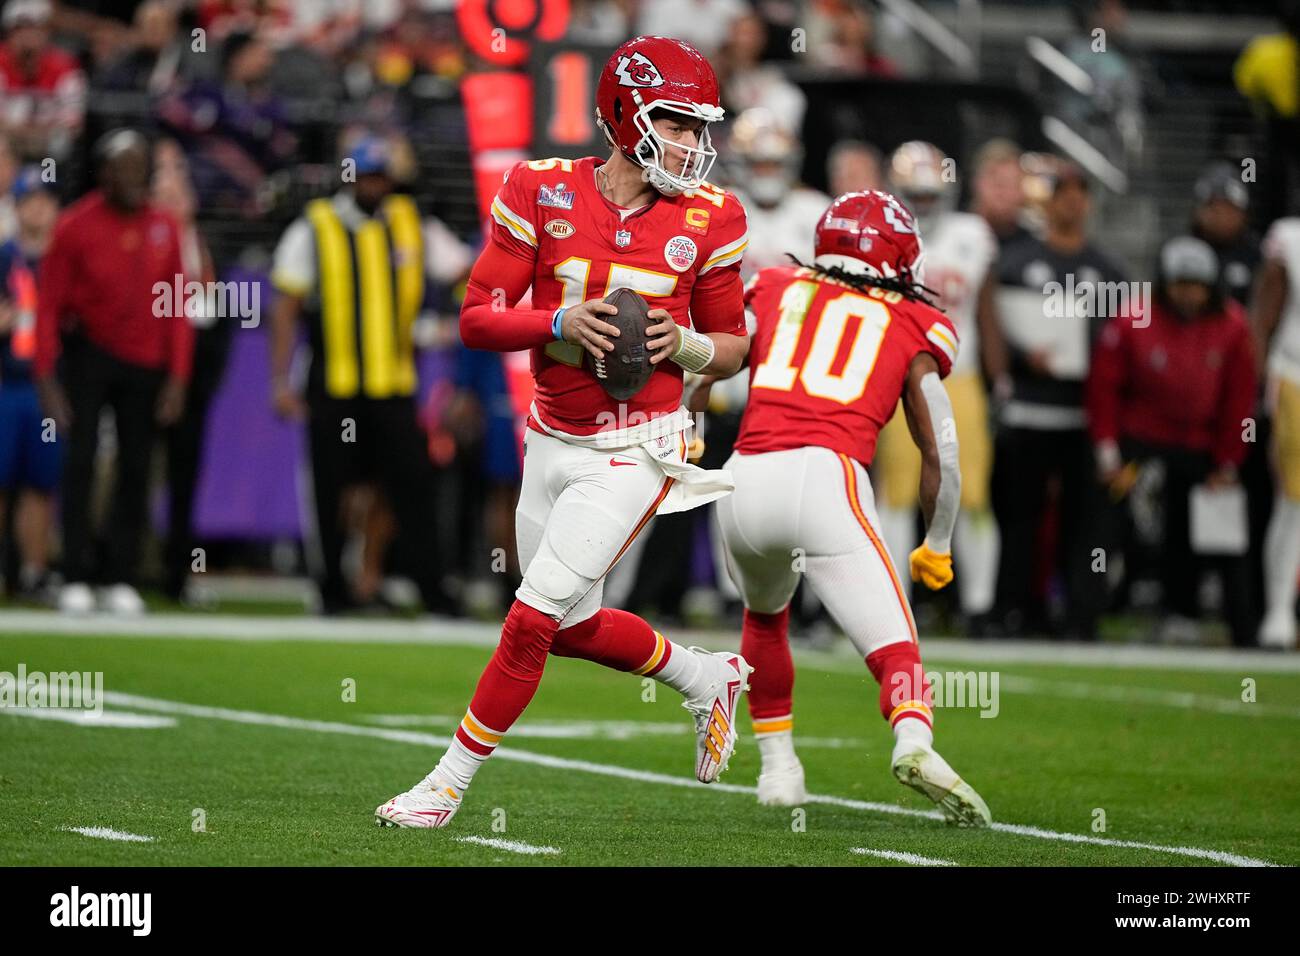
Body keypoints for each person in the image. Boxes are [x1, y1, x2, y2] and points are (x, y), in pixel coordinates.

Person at [376, 35, 753, 829]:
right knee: (571, 626)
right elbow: (476, 319)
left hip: (639, 447)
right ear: (626, 118)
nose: (694, 144)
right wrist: (556, 319)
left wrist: (679, 345)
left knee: (532, 614)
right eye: (678, 124)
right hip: (550, 435)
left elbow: (734, 343)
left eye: (698, 127)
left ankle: (446, 784)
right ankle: (703, 676)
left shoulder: (714, 218)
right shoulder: (540, 186)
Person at [698, 189, 990, 824]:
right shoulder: (914, 320)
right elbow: (941, 448)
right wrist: (937, 544)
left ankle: (779, 769)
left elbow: (711, 362)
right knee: (895, 648)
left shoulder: (774, 285)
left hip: (742, 479)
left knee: (764, 618)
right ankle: (913, 739)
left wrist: (690, 426)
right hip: (827, 478)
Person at [269, 134, 456, 616]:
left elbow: (465, 269)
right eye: (366, 175)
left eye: (381, 176)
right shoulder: (315, 226)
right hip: (335, 384)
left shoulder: (411, 223)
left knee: (413, 484)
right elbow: (286, 308)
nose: (375, 185)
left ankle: (428, 588)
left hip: (393, 386)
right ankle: (332, 589)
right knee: (331, 490)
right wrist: (279, 382)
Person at [34, 128, 193, 614]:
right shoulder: (75, 225)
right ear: (103, 172)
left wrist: (178, 378)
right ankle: (75, 572)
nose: (135, 176)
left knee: (136, 468)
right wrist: (46, 377)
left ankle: (120, 573)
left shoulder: (166, 226)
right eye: (124, 166)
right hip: (89, 357)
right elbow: (48, 306)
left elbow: (177, 308)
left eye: (141, 166)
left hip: (145, 363)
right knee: (80, 463)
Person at [1087, 237, 1257, 646]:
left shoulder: (1232, 327)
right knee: (1102, 525)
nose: (1188, 294)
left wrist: (1228, 462)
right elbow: (1105, 387)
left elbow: (1239, 398)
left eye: (1196, 285)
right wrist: (1108, 449)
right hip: (1140, 441)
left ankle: (1238, 627)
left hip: (1200, 444)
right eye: (1180, 284)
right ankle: (1084, 616)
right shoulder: (1135, 320)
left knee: (1220, 531)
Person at [872, 142, 1005, 632]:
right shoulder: (880, 234)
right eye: (915, 195)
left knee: (971, 495)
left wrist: (1001, 378)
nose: (923, 205)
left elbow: (988, 309)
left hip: (960, 377)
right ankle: (894, 608)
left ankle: (979, 606)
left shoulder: (972, 234)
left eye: (930, 195)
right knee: (897, 495)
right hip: (897, 378)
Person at [991, 159, 1126, 639]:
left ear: (1088, 202)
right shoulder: (1015, 262)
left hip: (1084, 414)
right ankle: (1015, 609)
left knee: (1084, 524)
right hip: (1029, 407)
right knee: (1020, 516)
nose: (1071, 201)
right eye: (1061, 192)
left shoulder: (1107, 270)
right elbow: (992, 329)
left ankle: (1080, 616)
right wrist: (1022, 357)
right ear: (1045, 201)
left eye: (1079, 193)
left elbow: (1123, 340)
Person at [0, 166, 59, 599]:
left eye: (46, 200)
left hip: (48, 390)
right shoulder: (4, 257)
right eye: (31, 200)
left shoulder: (65, 258)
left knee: (42, 483)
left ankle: (35, 572)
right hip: (7, 381)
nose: (39, 209)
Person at [1254, 216, 1300, 648]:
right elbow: (1264, 317)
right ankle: (1280, 610)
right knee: (1294, 501)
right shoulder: (1290, 238)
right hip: (1295, 377)